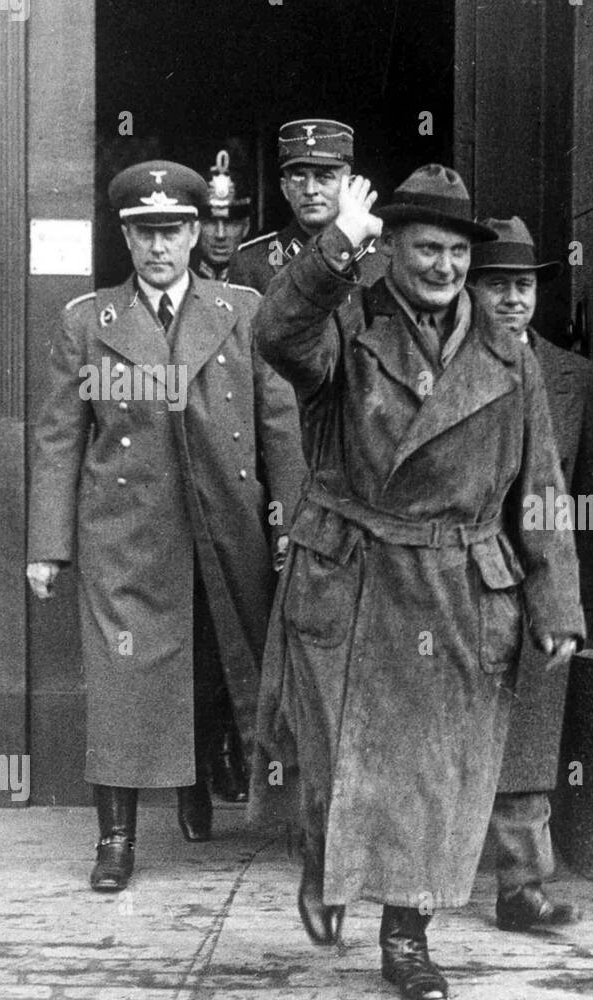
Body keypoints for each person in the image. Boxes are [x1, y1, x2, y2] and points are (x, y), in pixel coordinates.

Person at [253, 166, 584, 1000]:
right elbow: (276, 333)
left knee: (433, 779)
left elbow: (539, 486)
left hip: (457, 588)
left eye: (454, 252)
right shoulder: (348, 328)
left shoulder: (509, 357)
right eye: (425, 248)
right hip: (353, 577)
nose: (442, 267)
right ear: (390, 248)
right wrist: (335, 249)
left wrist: (556, 602)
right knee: (334, 758)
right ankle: (322, 857)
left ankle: (407, 936)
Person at [26, 160, 306, 892]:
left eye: (174, 231)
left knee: (222, 664)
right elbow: (60, 437)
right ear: (126, 235)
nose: (160, 247)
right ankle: (115, 838)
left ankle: (220, 794)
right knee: (123, 680)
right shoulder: (88, 322)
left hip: (227, 524)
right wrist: (48, 548)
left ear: (195, 234)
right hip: (125, 533)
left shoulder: (244, 310)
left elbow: (278, 424)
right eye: (145, 232)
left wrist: (290, 521)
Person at [467, 217, 593, 932]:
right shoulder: (443, 361)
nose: (514, 300)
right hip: (448, 572)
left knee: (526, 737)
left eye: (524, 286)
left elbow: (562, 491)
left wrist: (561, 600)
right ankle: (414, 881)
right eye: (497, 285)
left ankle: (521, 883)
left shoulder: (571, 377)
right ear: (470, 289)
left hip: (526, 576)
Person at [227, 118, 385, 294]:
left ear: (350, 185)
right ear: (284, 188)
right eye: (299, 177)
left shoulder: (383, 255)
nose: (310, 190)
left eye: (324, 177)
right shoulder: (253, 261)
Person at [194, 149, 251, 284]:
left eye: (230, 223)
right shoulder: (177, 280)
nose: (220, 235)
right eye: (210, 222)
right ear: (194, 228)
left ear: (246, 227)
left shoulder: (260, 283)